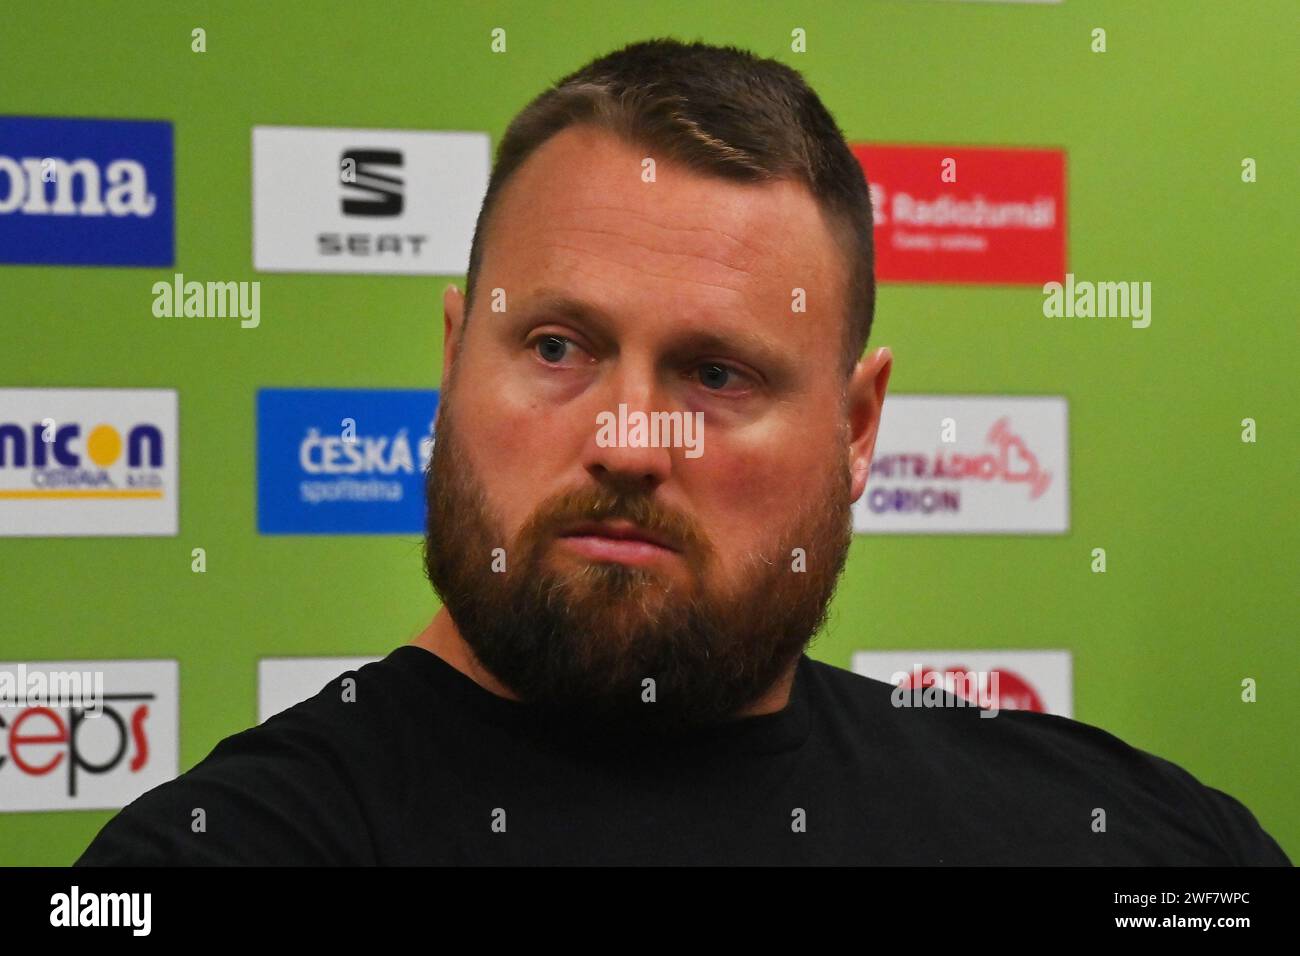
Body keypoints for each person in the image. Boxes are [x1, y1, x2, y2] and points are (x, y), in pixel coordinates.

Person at [77, 38, 1289, 866]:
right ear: (451, 363)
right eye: (557, 346)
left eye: (716, 375)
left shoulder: (1130, 839)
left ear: (857, 429)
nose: (625, 440)